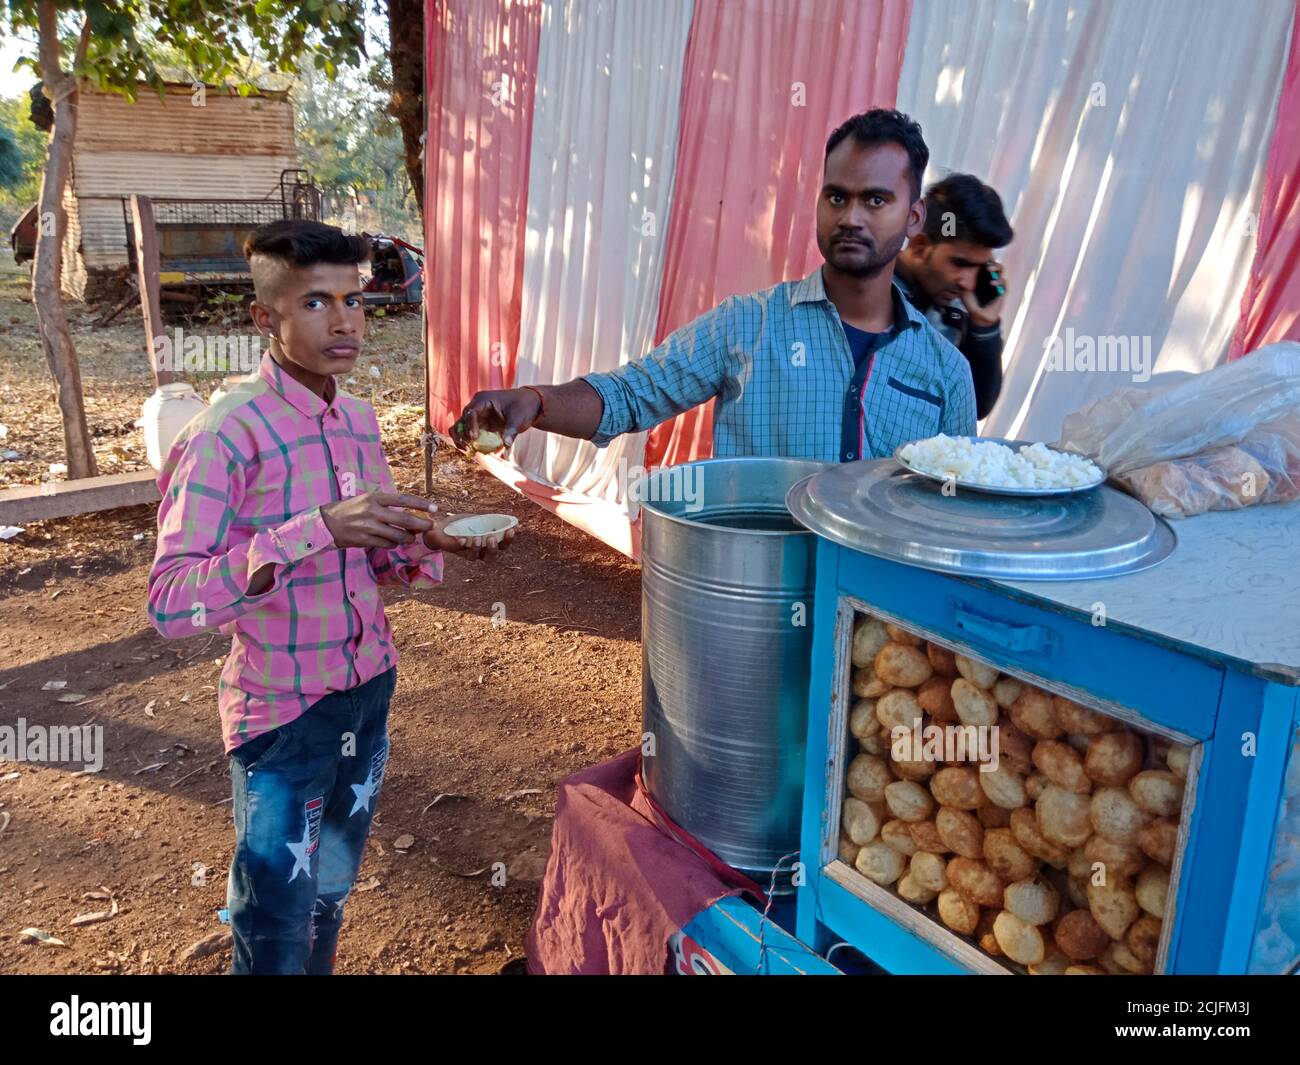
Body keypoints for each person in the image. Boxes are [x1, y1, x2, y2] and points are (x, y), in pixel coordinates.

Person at [146, 220, 514, 974]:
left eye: (355, 300)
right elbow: (172, 601)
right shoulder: (227, 434)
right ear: (264, 318)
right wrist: (310, 529)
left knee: (328, 893)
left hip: (366, 689)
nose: (345, 319)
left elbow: (362, 562)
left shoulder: (356, 419)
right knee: (277, 911)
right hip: (282, 713)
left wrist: (423, 542)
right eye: (316, 302)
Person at [452, 109, 976, 464]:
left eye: (876, 201)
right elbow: (633, 394)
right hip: (754, 602)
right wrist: (535, 400)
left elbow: (955, 501)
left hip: (879, 624)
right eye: (836, 197)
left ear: (914, 217)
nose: (851, 217)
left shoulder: (945, 371)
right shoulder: (748, 324)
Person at [893, 173, 1014, 418]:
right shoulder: (870, 291)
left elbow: (976, 408)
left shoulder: (955, 306)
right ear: (919, 246)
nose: (967, 283)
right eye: (959, 263)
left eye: (979, 268)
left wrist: (984, 326)